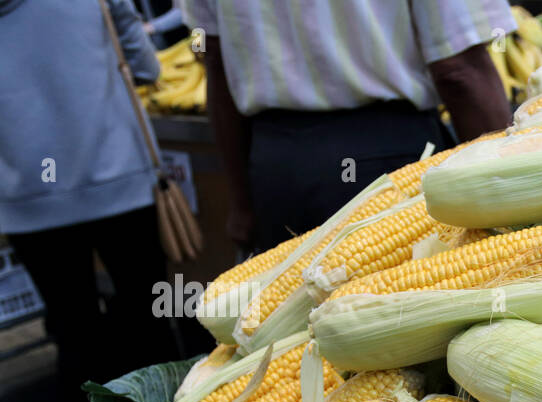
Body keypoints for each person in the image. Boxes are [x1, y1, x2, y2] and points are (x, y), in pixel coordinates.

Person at [0, 0, 193, 402]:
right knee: (148, 316)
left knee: (72, 326)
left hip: (27, 194)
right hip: (118, 175)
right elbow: (145, 65)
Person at [177, 0, 517, 252]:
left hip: (277, 163)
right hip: (387, 159)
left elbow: (215, 61)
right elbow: (459, 70)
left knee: (287, 340)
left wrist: (241, 203)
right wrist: (511, 201)